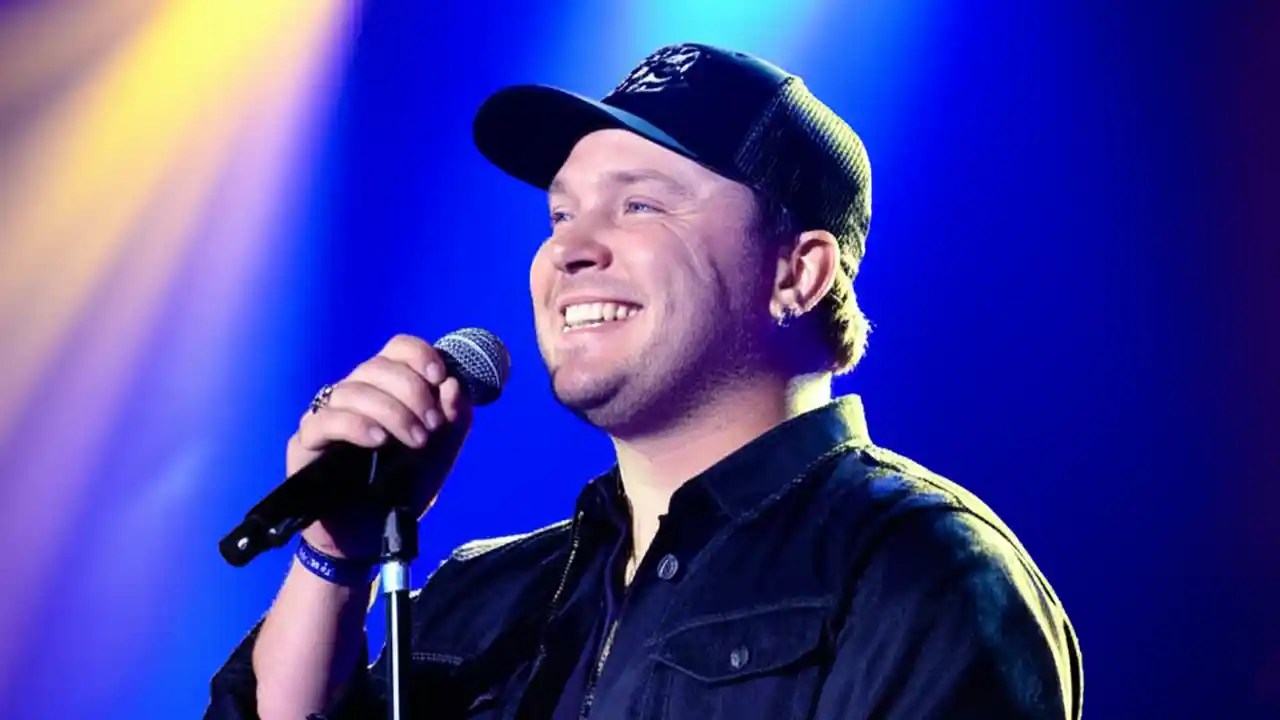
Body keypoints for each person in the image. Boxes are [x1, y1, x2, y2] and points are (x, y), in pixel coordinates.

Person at [205, 43, 1082, 719]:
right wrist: (337, 553)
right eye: (561, 212)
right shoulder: (486, 597)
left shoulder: (919, 571)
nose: (569, 248)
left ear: (798, 273)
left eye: (641, 204)